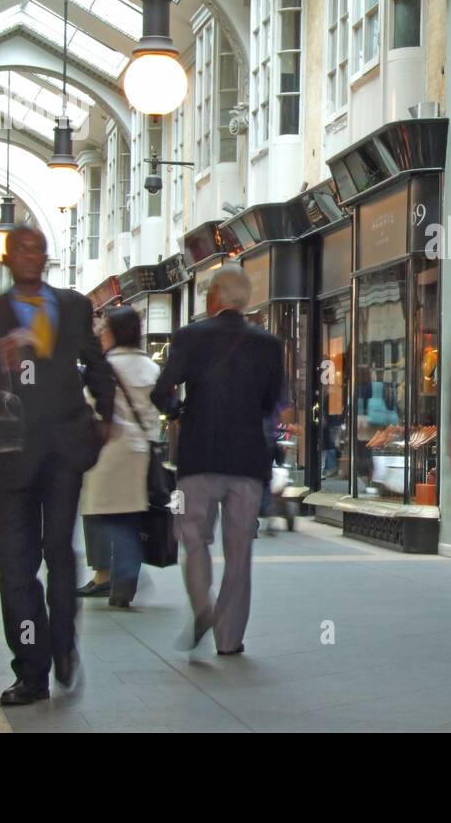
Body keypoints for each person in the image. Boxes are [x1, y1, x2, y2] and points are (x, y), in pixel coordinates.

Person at [0, 225, 114, 705]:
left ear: (46, 258)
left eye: (37, 250)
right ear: (7, 259)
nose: (30, 256)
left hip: (63, 450)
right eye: (21, 249)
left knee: (60, 554)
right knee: (15, 567)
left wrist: (106, 417)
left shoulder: (72, 306)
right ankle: (31, 668)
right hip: (8, 455)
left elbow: (96, 364)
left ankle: (63, 643)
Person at [152, 265, 284, 656]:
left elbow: (162, 389)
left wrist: (177, 412)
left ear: (214, 297)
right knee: (240, 552)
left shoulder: (190, 336)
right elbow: (269, 402)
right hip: (247, 460)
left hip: (198, 456)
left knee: (193, 540)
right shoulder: (269, 345)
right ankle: (229, 640)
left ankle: (203, 606)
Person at [78, 306, 161, 608]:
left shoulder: (104, 367)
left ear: (115, 332)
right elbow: (155, 412)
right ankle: (126, 577)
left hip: (106, 450)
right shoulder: (150, 368)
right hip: (140, 452)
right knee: (129, 517)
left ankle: (112, 574)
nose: (101, 333)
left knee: (101, 516)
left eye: (105, 328)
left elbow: (90, 406)